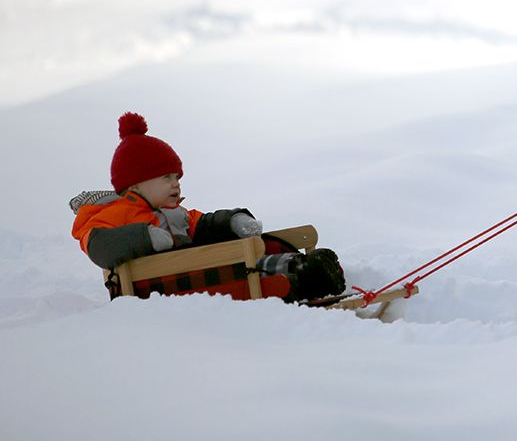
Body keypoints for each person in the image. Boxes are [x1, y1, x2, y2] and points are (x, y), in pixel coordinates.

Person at [71, 111, 346, 302]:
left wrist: (232, 221)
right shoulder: (113, 214)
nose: (175, 184)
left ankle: (304, 266)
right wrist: (145, 237)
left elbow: (204, 224)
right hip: (161, 288)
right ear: (135, 184)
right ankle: (299, 279)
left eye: (177, 177)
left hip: (188, 275)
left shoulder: (174, 214)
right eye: (166, 177)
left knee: (262, 247)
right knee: (241, 271)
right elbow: (98, 246)